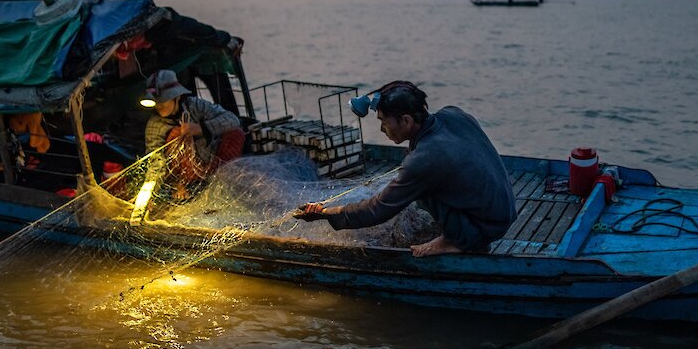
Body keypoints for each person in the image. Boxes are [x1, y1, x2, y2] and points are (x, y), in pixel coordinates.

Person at [295, 81, 517, 257]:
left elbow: (378, 209)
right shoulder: (454, 114)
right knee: (421, 180)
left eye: (384, 121)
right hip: (505, 210)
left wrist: (325, 213)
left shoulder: (425, 160)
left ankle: (454, 241)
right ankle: (461, 231)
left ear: (407, 120)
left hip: (485, 228)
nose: (382, 129)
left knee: (421, 190)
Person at [142, 69, 246, 201]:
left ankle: (221, 179)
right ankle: (181, 186)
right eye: (156, 102)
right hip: (183, 174)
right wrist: (149, 194)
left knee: (236, 133)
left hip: (209, 161)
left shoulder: (195, 105)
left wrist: (201, 128)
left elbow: (232, 120)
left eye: (164, 101)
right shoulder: (154, 125)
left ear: (177, 97)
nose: (159, 106)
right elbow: (155, 161)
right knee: (177, 134)